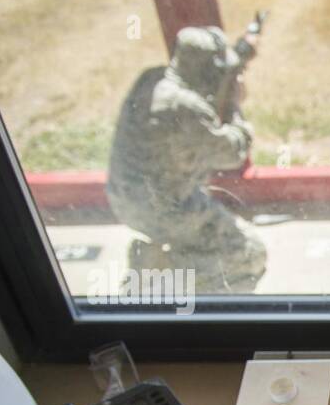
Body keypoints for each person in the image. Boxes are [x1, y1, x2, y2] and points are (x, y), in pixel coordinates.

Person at [106, 25, 267, 294]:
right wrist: (235, 106)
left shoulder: (149, 81)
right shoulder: (186, 107)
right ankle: (161, 273)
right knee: (249, 254)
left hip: (124, 201)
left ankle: (159, 257)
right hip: (169, 211)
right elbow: (232, 153)